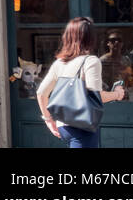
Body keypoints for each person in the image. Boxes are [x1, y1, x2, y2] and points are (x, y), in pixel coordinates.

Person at [37, 16, 126, 148]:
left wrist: (49, 120)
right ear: (90, 38)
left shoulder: (59, 63)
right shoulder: (90, 61)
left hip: (63, 128)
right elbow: (97, 96)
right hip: (82, 128)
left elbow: (41, 93)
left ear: (67, 37)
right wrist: (117, 94)